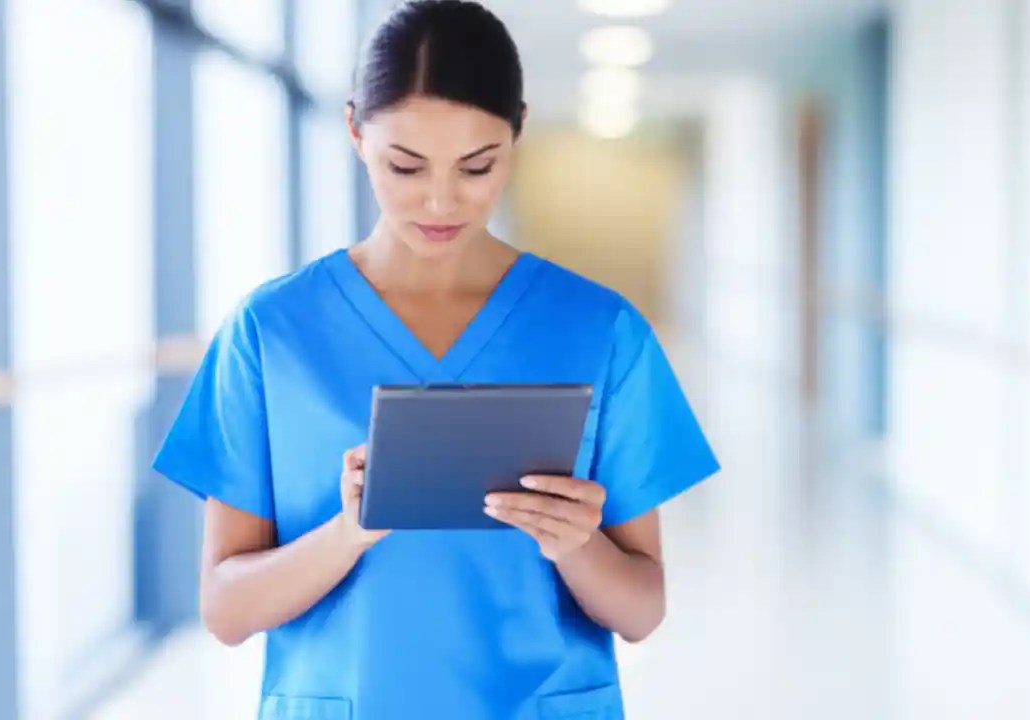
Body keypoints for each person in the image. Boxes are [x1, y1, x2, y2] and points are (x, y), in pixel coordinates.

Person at [151, 1, 720, 718]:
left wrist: (577, 544)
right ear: (356, 131)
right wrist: (347, 531)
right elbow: (225, 611)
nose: (441, 199)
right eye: (405, 164)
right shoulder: (271, 331)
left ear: (517, 131)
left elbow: (641, 611)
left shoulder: (600, 329)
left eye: (477, 166)